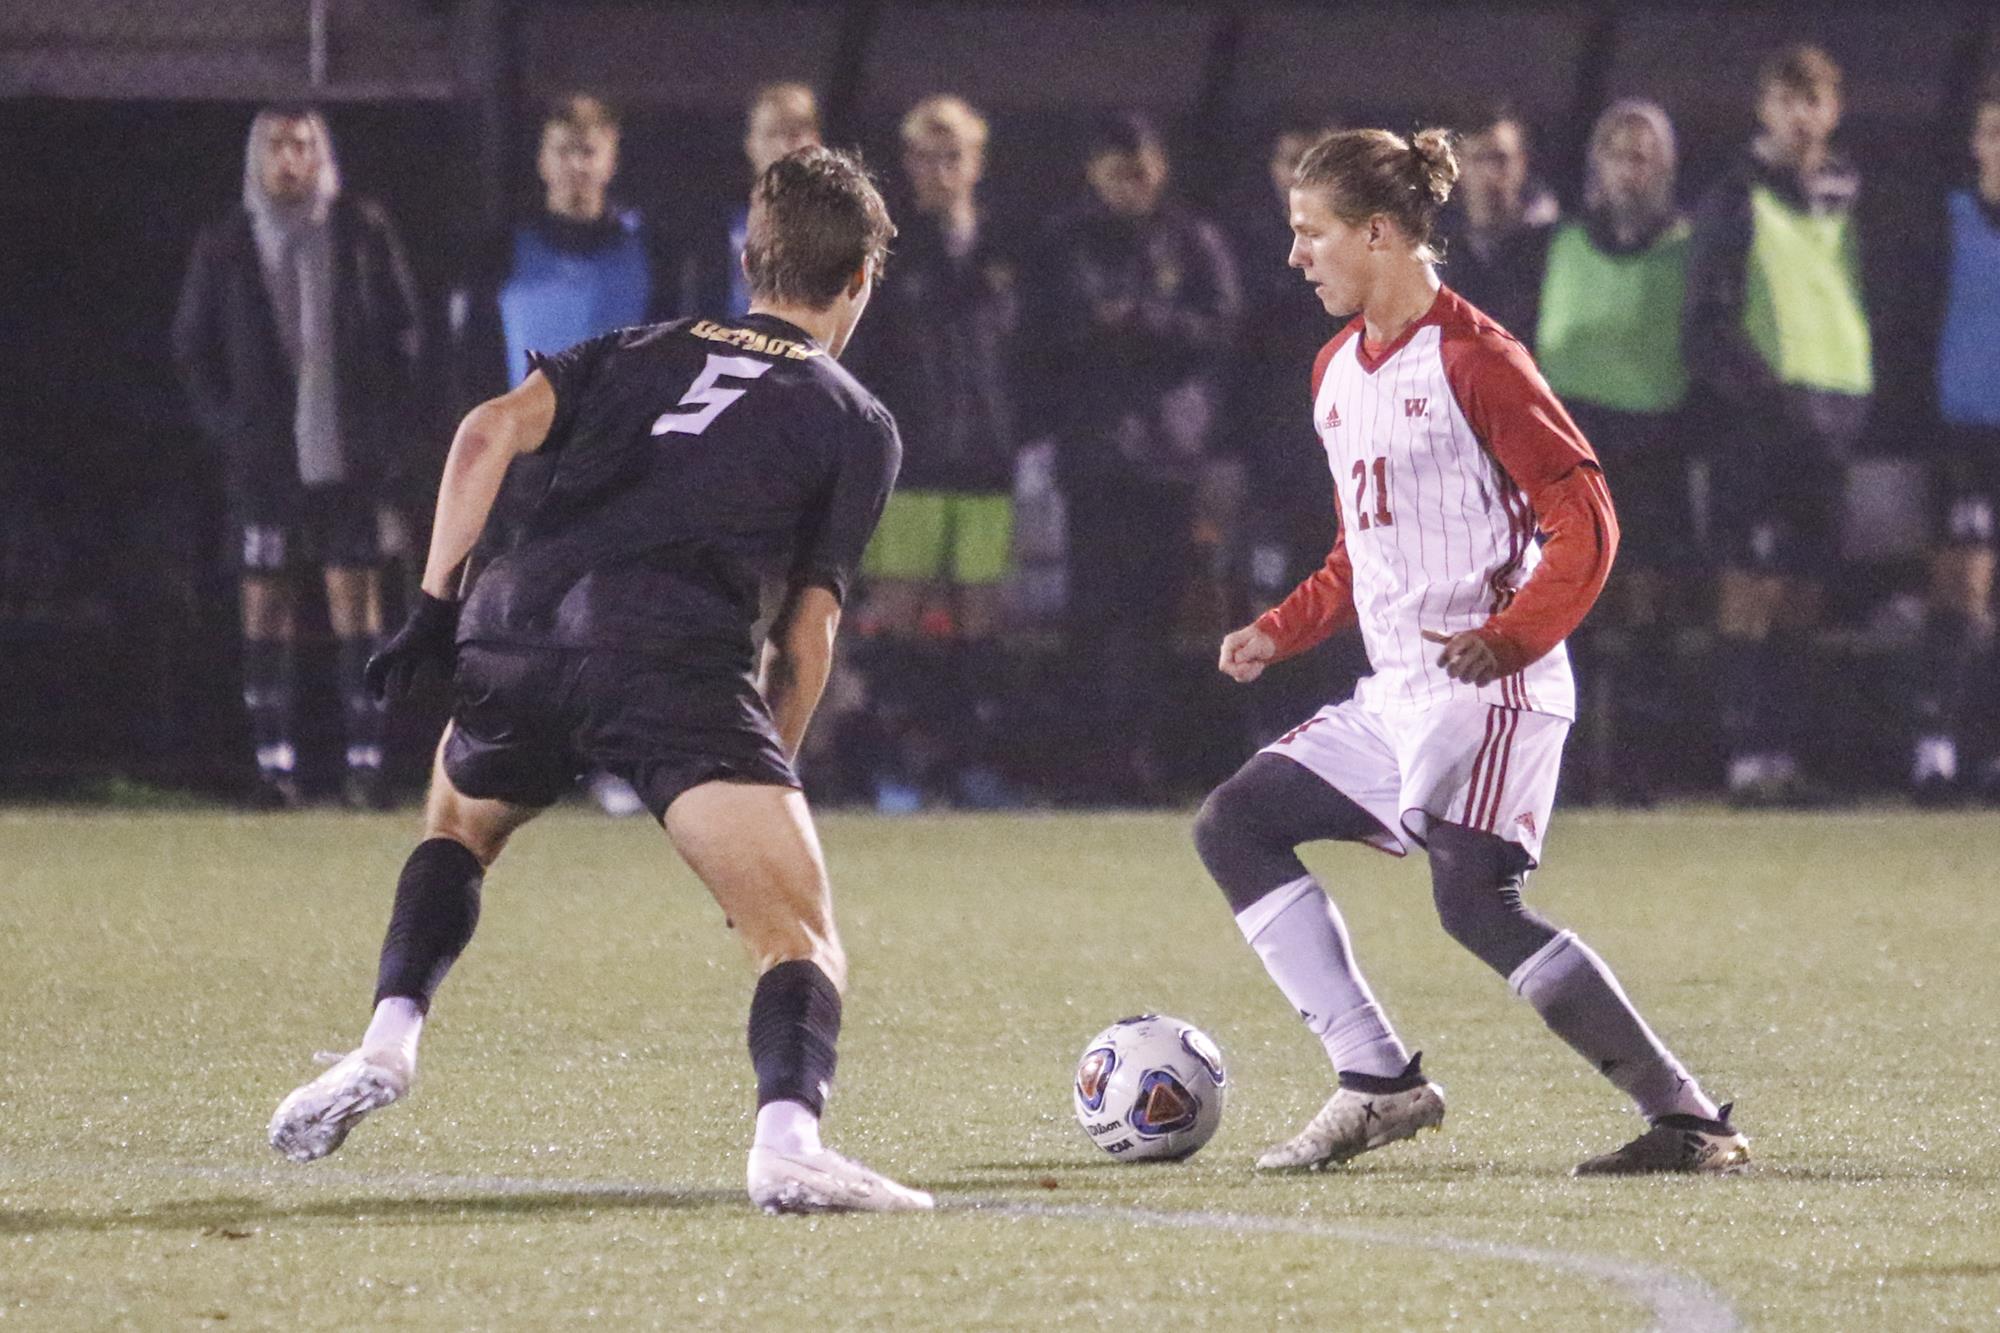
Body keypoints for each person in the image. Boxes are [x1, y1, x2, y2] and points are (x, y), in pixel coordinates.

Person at [267, 147, 930, 1214]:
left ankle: (387, 1042)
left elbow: (485, 431)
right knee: (796, 934)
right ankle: (788, 1143)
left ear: (747, 259)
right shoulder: (855, 418)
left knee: (456, 827)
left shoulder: (640, 343)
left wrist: (435, 609)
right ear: (857, 281)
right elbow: (805, 636)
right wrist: (770, 785)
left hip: (518, 617)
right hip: (664, 650)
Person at [1192, 128, 1748, 1176]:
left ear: (1379, 232)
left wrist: (1511, 636)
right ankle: (1376, 1079)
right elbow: (1365, 550)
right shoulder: (1331, 370)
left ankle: (1685, 1118)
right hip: (1397, 692)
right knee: (1235, 823)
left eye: (1311, 234)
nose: (1295, 254)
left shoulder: (1474, 358)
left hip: (1496, 687)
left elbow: (1584, 518)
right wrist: (1282, 628)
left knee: (1471, 899)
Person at [173, 106, 424, 810]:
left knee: (358, 600)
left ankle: (368, 768)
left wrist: (388, 431)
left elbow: (406, 336)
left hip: (349, 457)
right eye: (277, 145)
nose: (290, 159)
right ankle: (273, 769)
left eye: (303, 145)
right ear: (257, 157)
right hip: (266, 466)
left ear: (322, 154)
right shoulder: (226, 242)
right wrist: (232, 433)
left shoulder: (360, 230)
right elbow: (193, 351)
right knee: (265, 601)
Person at [448, 92, 671, 817]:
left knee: (619, 620)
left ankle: (613, 761)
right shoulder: (502, 248)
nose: (577, 166)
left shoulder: (649, 249)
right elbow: (471, 361)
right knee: (526, 619)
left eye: (590, 151)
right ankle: (523, 758)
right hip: (534, 461)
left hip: (625, 461)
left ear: (610, 160)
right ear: (544, 162)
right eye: (564, 152)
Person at [1024, 110, 1241, 800]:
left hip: (1168, 460)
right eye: (1118, 169)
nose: (1131, 182)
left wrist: (1142, 322)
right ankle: (1088, 765)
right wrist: (1100, 332)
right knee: (1090, 617)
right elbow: (1040, 336)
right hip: (1093, 460)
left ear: (1162, 169)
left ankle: (1147, 763)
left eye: (1142, 168)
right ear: (1094, 172)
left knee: (1156, 620)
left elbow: (1222, 328)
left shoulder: (1193, 241)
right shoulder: (1064, 243)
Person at [1687, 44, 1874, 805]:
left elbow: (1864, 301)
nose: (1803, 116)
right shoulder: (1735, 193)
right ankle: (1745, 756)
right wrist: (1756, 394)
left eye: (1816, 101)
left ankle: (1788, 754)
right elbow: (1705, 319)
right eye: (1788, 100)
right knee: (1750, 585)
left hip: (1832, 419)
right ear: (1765, 108)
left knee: (1802, 589)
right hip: (1760, 421)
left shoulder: (1850, 196)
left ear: (1835, 111)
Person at [842, 94, 1020, 807]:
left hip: (987, 460)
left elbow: (1029, 354)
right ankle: (897, 765)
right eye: (926, 157)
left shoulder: (1006, 249)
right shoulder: (885, 250)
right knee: (900, 614)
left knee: (980, 619)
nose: (940, 170)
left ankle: (968, 763)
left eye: (954, 156)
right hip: (909, 461)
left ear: (976, 163)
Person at [1534, 100, 1693, 802]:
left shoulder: (1690, 247)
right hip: (1573, 453)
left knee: (1647, 611)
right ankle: (1559, 774)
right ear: (1595, 165)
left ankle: (1639, 768)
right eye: (1618, 153)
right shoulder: (1556, 243)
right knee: (1571, 616)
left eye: (1645, 155)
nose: (1630, 169)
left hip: (1655, 446)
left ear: (1666, 169)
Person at [1227, 122, 1352, 747]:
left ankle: (1345, 752)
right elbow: (1232, 365)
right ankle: (1273, 749)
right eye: (1288, 158)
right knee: (1273, 602)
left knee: (1346, 611)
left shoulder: (1363, 247)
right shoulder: (1246, 252)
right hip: (1273, 471)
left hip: (1348, 469)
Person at [1907, 71, 2000, 802]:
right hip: (1963, 432)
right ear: (1976, 143)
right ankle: (1934, 746)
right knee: (1961, 589)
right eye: (1996, 134)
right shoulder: (1950, 219)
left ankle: (1988, 751)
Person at [680, 83, 824, 321]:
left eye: (794, 133)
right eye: (771, 133)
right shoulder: (715, 224)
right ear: (750, 144)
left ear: (816, 140)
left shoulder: (839, 225)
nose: (784, 145)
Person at [1433, 105, 1559, 342]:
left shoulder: (1555, 248)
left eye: (1501, 159)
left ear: (1522, 163)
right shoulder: (1431, 252)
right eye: (1478, 159)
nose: (1491, 173)